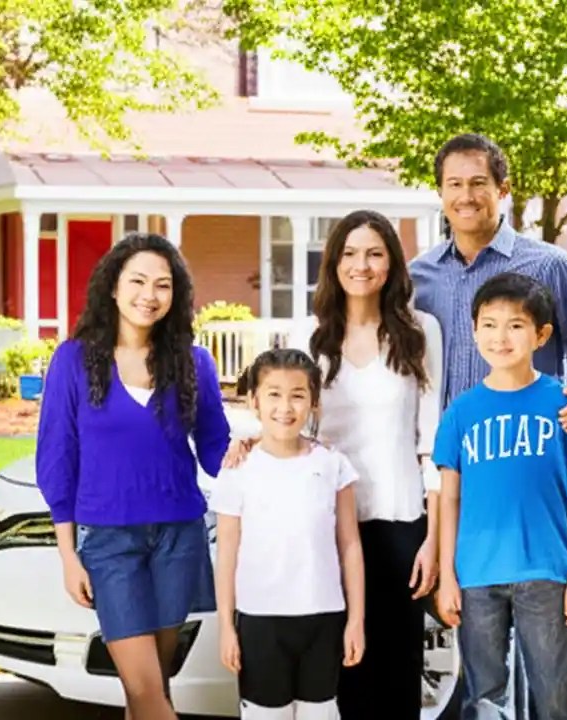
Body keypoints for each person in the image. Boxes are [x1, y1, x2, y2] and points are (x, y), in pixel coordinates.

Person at [225, 209, 444, 718]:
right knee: (340, 674)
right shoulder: (314, 335)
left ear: (391, 263)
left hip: (399, 522)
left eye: (373, 253)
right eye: (349, 253)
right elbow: (292, 415)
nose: (360, 265)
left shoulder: (419, 332)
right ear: (333, 263)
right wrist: (251, 438)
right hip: (325, 527)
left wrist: (433, 537)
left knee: (398, 667)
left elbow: (430, 438)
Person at [35, 232, 232, 720]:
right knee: (147, 692)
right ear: (113, 288)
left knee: (149, 689)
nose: (150, 295)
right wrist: (68, 554)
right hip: (110, 543)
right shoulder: (73, 361)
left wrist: (272, 450)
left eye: (162, 285)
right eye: (138, 281)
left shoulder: (194, 362)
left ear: (175, 294)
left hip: (178, 538)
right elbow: (57, 460)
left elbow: (216, 451)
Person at [432, 272, 567, 720]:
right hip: (477, 578)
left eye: (515, 325)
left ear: (541, 334)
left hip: (546, 572)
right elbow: (448, 500)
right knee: (484, 699)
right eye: (489, 324)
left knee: (558, 697)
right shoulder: (460, 412)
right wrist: (447, 576)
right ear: (473, 330)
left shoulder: (563, 404)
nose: (500, 337)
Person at [410, 132, 567, 433]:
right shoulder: (418, 277)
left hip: (526, 453)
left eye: (479, 183)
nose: (466, 196)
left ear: (503, 189)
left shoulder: (549, 266)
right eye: (454, 184)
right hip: (446, 461)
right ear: (440, 192)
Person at [212, 348, 366, 720]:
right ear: (254, 401)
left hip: (323, 618)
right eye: (273, 394)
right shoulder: (238, 470)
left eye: (298, 395)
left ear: (313, 403)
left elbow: (350, 546)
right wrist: (226, 628)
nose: (285, 406)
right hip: (260, 620)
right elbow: (227, 553)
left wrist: (356, 621)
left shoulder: (332, 465)